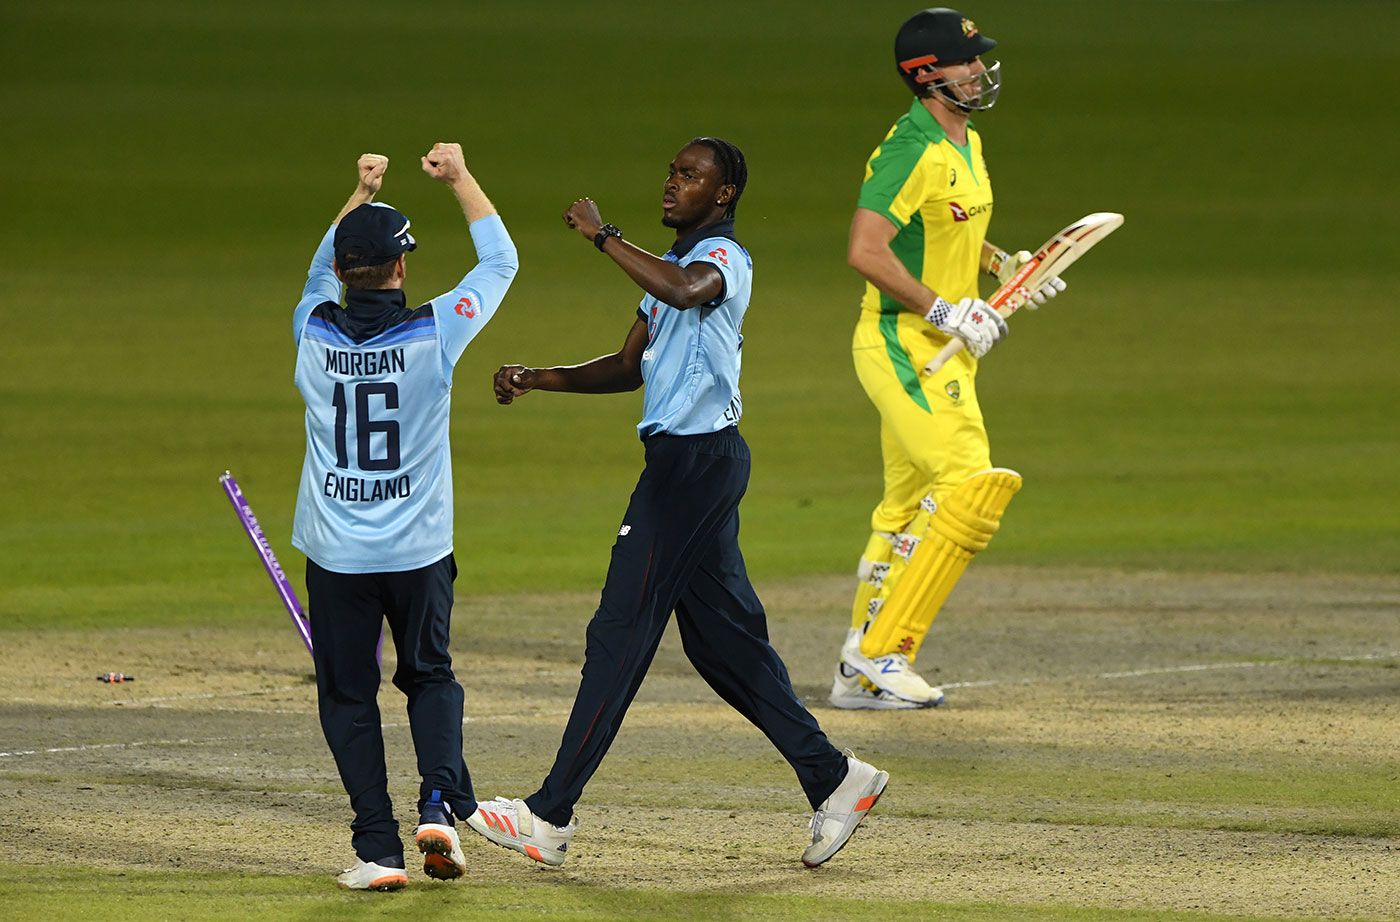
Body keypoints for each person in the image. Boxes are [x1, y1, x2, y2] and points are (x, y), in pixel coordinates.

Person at [467, 138, 887, 869]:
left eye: (690, 176)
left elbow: (687, 290)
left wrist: (603, 235)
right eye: (671, 171)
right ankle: (834, 777)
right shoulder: (667, 270)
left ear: (723, 196)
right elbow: (628, 365)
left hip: (692, 469)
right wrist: (541, 377)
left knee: (620, 631)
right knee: (724, 646)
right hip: (693, 466)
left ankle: (548, 815)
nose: (672, 183)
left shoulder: (723, 259)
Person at [290, 144, 518, 889]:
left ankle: (377, 850)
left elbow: (319, 270)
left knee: (348, 696)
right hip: (420, 550)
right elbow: (500, 262)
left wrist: (359, 193)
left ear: (345, 268)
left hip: (336, 554)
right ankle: (439, 805)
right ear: (400, 267)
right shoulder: (437, 329)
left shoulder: (311, 327)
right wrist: (460, 178)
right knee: (430, 677)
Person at [830, 8, 1066, 711]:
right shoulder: (911, 149)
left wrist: (1003, 267)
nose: (980, 69)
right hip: (904, 344)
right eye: (967, 61)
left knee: (905, 508)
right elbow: (866, 250)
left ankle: (856, 675)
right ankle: (884, 651)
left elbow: (948, 231)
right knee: (969, 488)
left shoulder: (967, 141)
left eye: (979, 57)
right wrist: (943, 310)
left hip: (949, 349)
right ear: (926, 74)